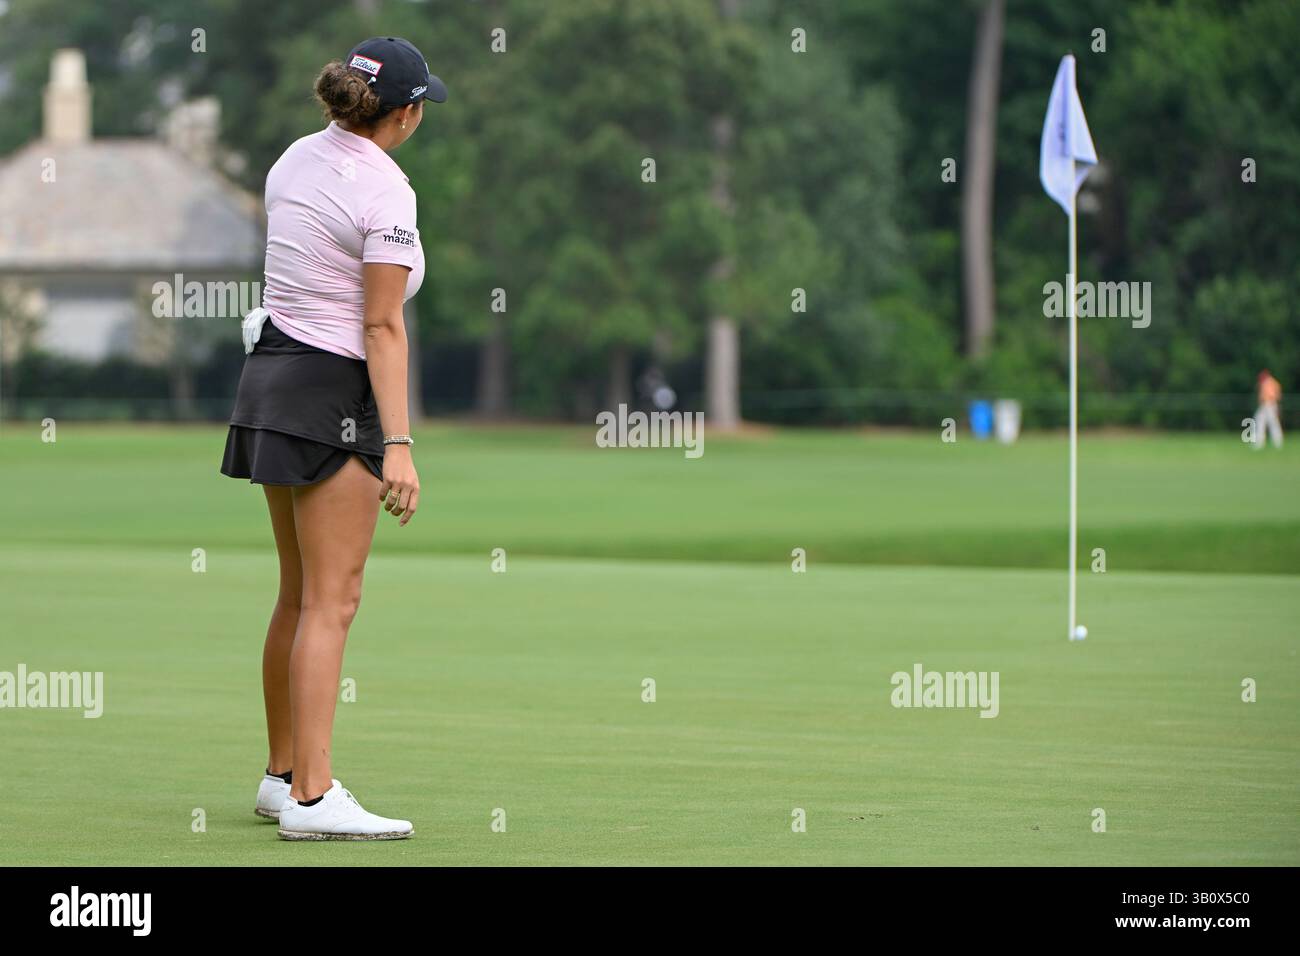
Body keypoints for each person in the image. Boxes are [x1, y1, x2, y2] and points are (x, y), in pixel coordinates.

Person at [220, 37, 447, 840]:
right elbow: (382, 325)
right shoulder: (389, 192)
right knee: (333, 601)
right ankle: (314, 800)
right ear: (408, 113)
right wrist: (402, 445)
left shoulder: (292, 158)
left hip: (270, 378)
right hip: (332, 395)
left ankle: (281, 779)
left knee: (297, 593)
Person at [1254, 369, 1283, 449]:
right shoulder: (1272, 382)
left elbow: (1271, 395)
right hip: (1268, 404)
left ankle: (1262, 442)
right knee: (1264, 422)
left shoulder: (1268, 383)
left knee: (1271, 423)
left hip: (1268, 404)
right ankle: (1275, 442)